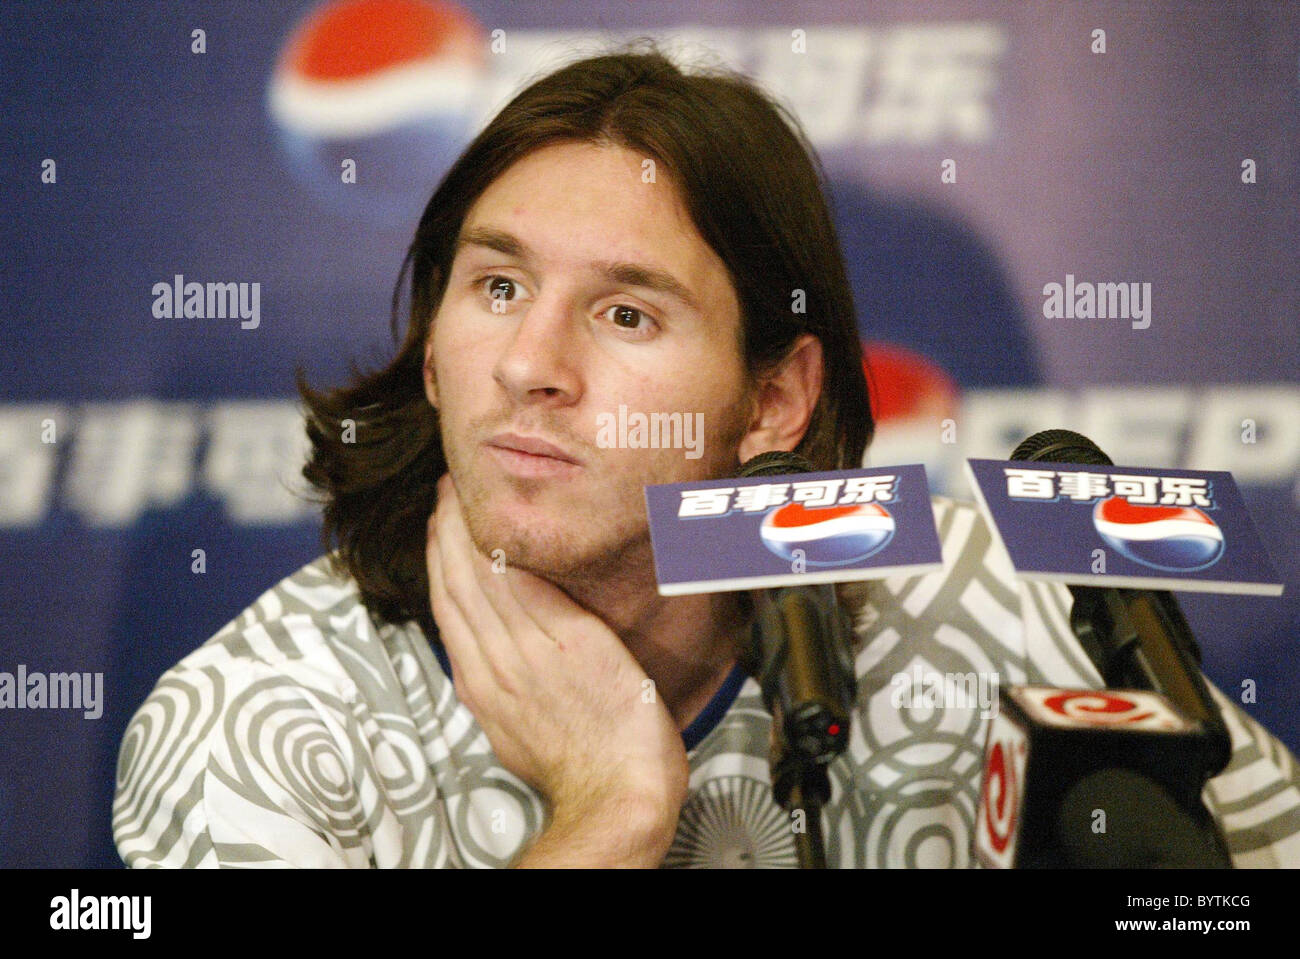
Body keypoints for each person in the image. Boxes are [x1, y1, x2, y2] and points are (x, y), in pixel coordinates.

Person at [113, 45, 1300, 868]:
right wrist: (609, 808)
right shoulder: (251, 714)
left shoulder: (1013, 602)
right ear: (430, 354)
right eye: (497, 285)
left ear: (773, 400)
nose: (532, 361)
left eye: (626, 313)